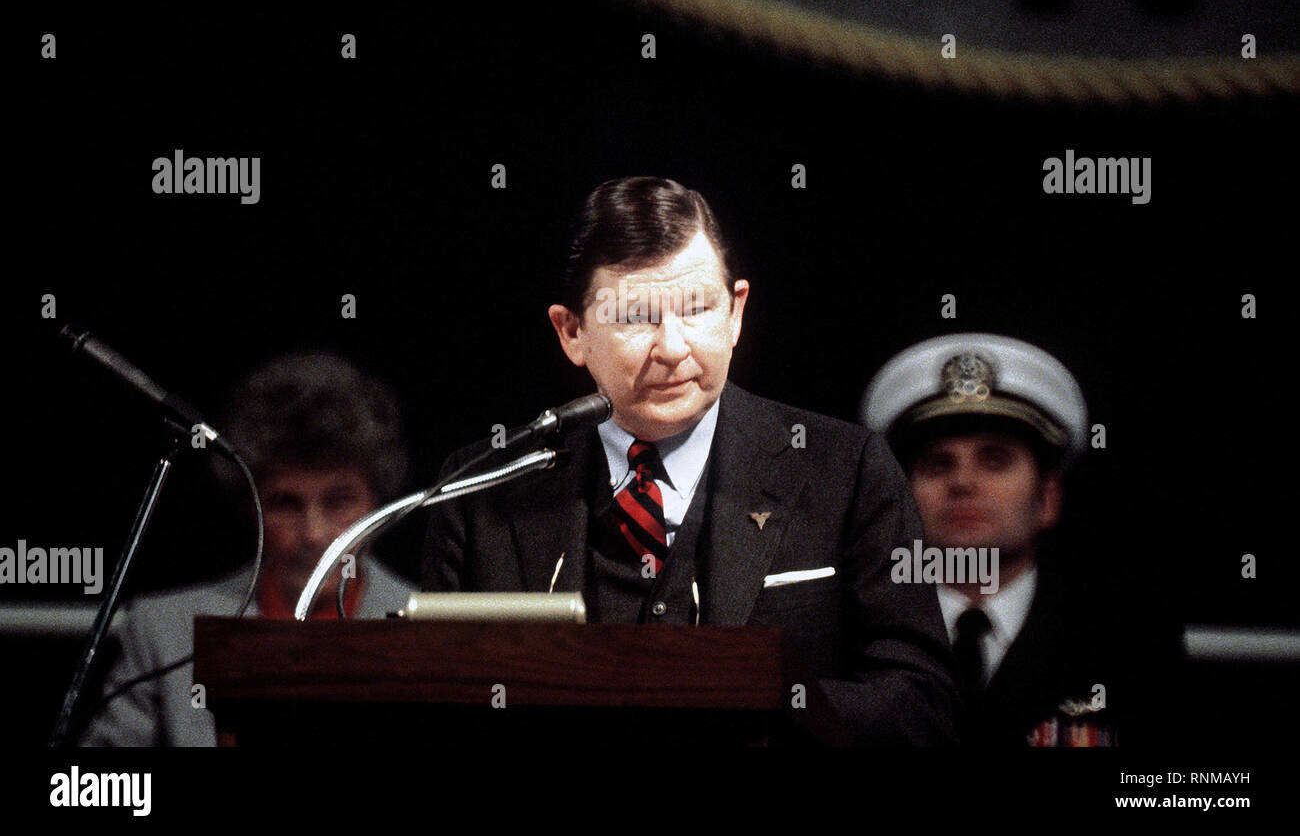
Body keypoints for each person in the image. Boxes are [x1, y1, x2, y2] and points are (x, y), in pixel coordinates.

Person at [421, 176, 959, 745]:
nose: (673, 348)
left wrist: (763, 699)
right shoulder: (482, 491)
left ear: (736, 313)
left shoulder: (844, 471)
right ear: (572, 332)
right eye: (636, 316)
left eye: (698, 309)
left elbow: (922, 705)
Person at [80, 352, 413, 746]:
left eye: (339, 502)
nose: (314, 534)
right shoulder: (164, 630)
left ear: (380, 504)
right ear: (250, 506)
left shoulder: (433, 629)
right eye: (286, 504)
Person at [863, 333, 1168, 746]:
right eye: (938, 464)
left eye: (995, 460)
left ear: (1047, 498)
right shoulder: (854, 641)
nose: (963, 482)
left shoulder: (1131, 650)